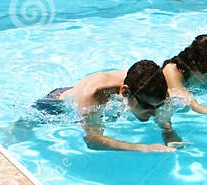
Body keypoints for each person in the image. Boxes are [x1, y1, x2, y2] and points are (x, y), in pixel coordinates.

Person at [37, 60, 180, 152]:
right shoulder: (95, 94)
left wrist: (168, 132)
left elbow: (161, 109)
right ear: (125, 92)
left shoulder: (156, 88)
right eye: (147, 107)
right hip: (56, 105)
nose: (154, 113)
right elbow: (92, 140)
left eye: (158, 106)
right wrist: (144, 147)